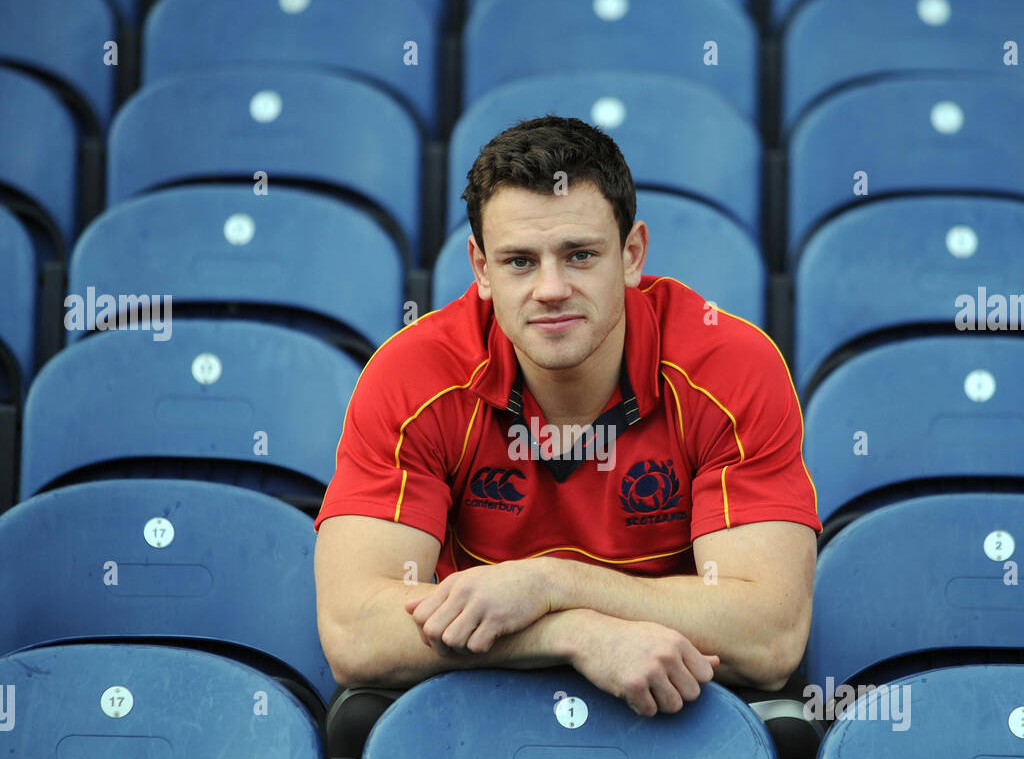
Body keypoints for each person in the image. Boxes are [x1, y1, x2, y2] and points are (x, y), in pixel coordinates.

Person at [315, 116, 821, 716]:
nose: (551, 288)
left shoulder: (730, 367)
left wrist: (553, 583)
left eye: (580, 255)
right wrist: (572, 634)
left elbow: (770, 636)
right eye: (519, 262)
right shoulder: (412, 375)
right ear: (481, 270)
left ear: (632, 256)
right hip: (470, 711)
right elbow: (354, 635)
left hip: (676, 712)